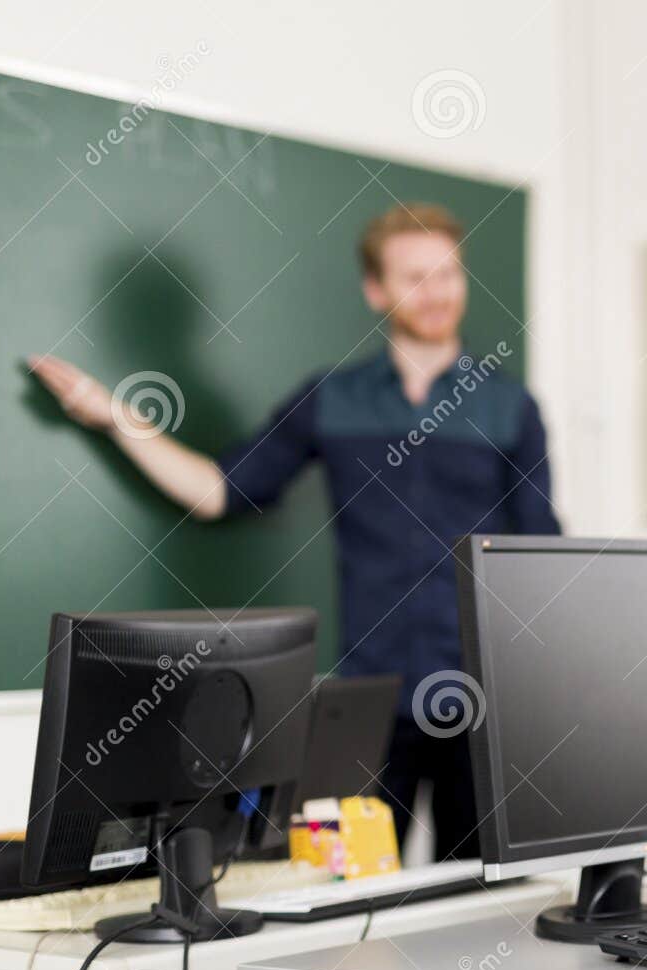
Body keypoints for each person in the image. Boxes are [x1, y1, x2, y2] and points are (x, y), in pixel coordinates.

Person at [28, 202, 560, 861]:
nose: (436, 292)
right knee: (345, 894)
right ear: (376, 289)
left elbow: (542, 554)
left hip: (484, 701)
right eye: (414, 276)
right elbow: (218, 490)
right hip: (370, 702)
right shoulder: (331, 399)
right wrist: (114, 416)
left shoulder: (511, 407)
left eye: (448, 274)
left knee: (483, 896)